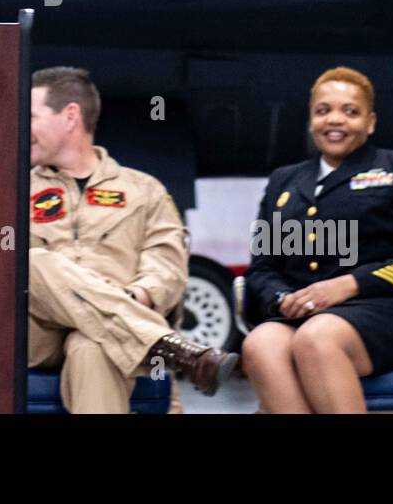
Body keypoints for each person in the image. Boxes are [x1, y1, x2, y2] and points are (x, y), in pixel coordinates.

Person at [241, 66, 393, 413]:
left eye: (350, 112)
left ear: (370, 122)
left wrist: (347, 286)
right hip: (306, 313)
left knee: (317, 337)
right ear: (311, 120)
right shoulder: (284, 180)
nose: (334, 120)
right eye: (323, 111)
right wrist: (282, 300)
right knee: (261, 344)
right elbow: (262, 268)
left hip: (392, 314)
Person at [28, 66, 237, 413]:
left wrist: (135, 294)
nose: (21, 126)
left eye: (32, 116)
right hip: (37, 334)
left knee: (93, 345)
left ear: (70, 116)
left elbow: (167, 263)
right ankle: (172, 348)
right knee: (33, 260)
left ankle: (133, 326)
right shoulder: (13, 189)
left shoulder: (144, 190)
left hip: (113, 337)